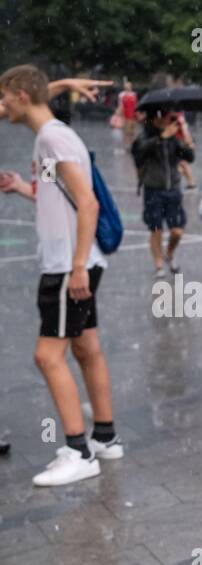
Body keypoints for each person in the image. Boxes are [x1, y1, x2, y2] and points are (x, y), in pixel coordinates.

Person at [0, 65, 122, 486]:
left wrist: (76, 267)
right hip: (76, 261)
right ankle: (105, 436)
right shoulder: (49, 137)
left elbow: (86, 204)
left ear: (18, 94)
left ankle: (78, 450)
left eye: (3, 97)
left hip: (69, 265)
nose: (1, 107)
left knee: (47, 356)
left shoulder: (52, 137)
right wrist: (21, 187)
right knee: (87, 347)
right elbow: (59, 193)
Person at [133, 109, 195, 277]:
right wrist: (161, 138)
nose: (168, 122)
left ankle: (169, 254)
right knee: (156, 229)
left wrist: (185, 133)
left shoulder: (174, 139)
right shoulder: (145, 138)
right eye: (165, 118)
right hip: (153, 189)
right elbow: (139, 155)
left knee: (177, 231)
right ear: (155, 120)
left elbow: (190, 157)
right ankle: (159, 265)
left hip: (173, 189)